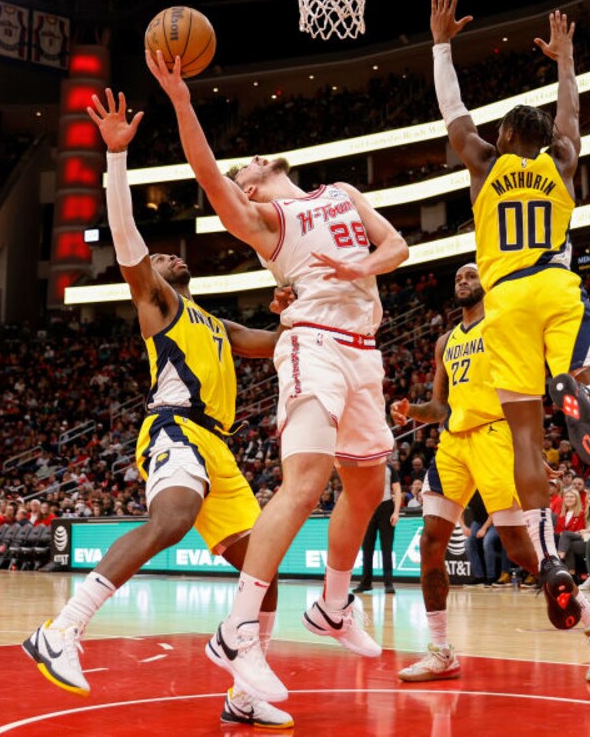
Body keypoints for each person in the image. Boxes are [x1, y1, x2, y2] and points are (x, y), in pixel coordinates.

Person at [22, 90, 291, 728]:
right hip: (174, 429)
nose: (168, 256)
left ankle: (244, 697)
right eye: (161, 255)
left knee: (265, 569)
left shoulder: (217, 322)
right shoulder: (160, 305)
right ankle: (61, 631)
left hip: (217, 448)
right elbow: (125, 238)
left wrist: (303, 302)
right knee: (171, 520)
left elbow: (281, 345)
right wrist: (116, 159)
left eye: (173, 254)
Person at [149, 55, 409, 704]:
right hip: (313, 343)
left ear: (269, 164)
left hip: (364, 348)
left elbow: (397, 246)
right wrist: (183, 102)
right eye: (241, 184)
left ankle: (331, 605)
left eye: (247, 171)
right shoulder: (270, 225)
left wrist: (358, 270)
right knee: (307, 480)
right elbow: (211, 179)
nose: (243, 181)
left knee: (370, 484)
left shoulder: (344, 194)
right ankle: (237, 629)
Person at [430, 0, 590, 635]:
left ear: (504, 138)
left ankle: (554, 557)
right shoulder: (561, 164)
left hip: (504, 300)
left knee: (522, 436)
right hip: (555, 283)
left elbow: (455, 118)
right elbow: (572, 121)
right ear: (544, 142)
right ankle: (585, 391)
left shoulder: (485, 166)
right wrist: (566, 62)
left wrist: (441, 46)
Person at [391, 264, 590, 683]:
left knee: (520, 549)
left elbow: (528, 394)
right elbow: (440, 407)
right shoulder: (446, 341)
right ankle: (441, 650)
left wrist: (529, 450)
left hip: (497, 436)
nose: (462, 279)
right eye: (457, 276)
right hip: (453, 442)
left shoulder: (506, 325)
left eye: (470, 275)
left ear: (488, 282)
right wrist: (413, 412)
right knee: (430, 542)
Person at [354, 461, 402, 594]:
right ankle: (366, 583)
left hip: (386, 508)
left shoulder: (390, 468)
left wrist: (396, 512)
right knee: (367, 548)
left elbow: (397, 490)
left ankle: (388, 583)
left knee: (387, 548)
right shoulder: (365, 467)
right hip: (368, 508)